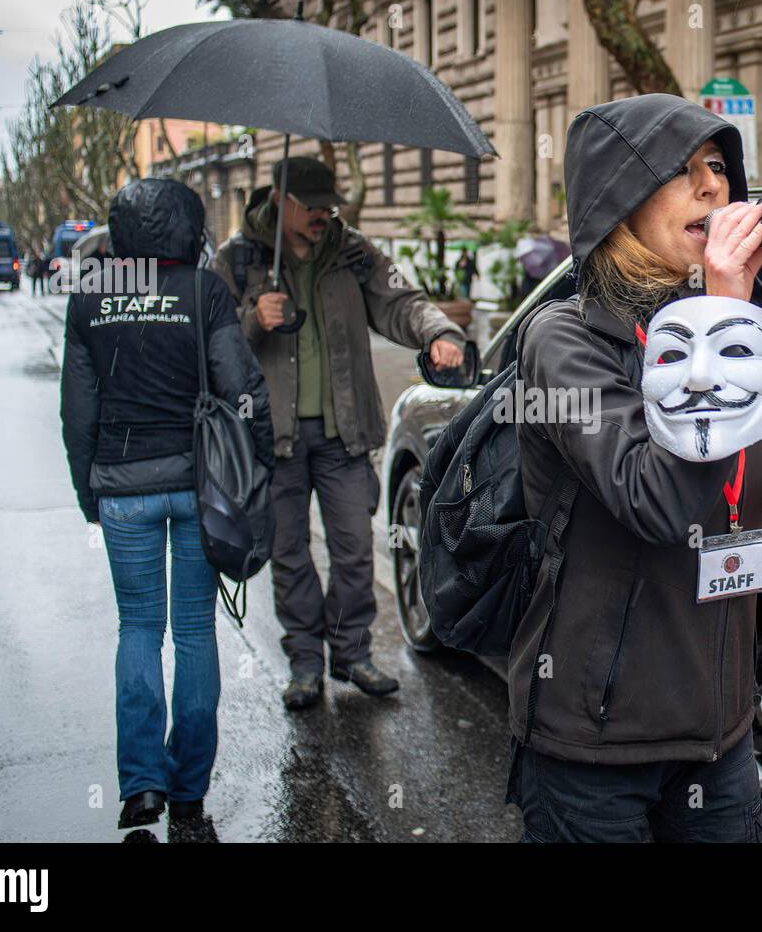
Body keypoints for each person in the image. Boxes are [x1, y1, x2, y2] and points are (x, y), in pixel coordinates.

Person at [505, 93, 762, 842]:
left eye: (719, 168)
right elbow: (658, 503)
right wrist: (723, 317)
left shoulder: (727, 333)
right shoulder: (564, 340)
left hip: (718, 731)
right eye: (684, 170)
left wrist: (729, 318)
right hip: (596, 743)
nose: (714, 187)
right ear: (619, 201)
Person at [60, 178, 274, 838]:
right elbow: (243, 388)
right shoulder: (203, 292)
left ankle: (140, 785)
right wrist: (258, 465)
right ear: (188, 225)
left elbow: (77, 410)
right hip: (196, 486)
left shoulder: (89, 296)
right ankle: (188, 791)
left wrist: (86, 490)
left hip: (122, 488)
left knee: (138, 631)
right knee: (193, 633)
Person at [213, 157, 467, 709]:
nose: (326, 214)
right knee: (290, 554)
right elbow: (207, 342)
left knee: (354, 550)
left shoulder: (353, 251)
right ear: (281, 200)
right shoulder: (237, 258)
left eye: (330, 203)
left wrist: (439, 332)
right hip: (270, 436)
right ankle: (305, 664)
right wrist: (254, 317)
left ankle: (351, 654)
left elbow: (401, 301)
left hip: (344, 434)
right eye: (314, 205)